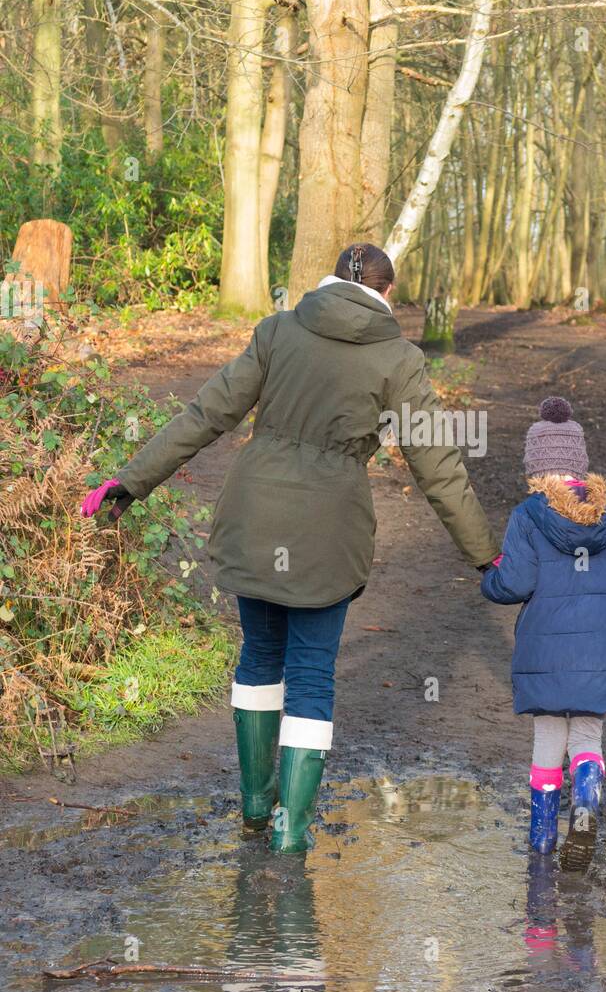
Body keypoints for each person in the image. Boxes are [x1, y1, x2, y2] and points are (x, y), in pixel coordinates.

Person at [81, 244, 498, 852]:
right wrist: (486, 554)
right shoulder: (398, 358)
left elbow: (206, 414)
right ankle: (290, 829)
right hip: (329, 534)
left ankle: (254, 804)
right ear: (387, 292)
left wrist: (130, 481)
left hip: (256, 519)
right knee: (310, 675)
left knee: (259, 656)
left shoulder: (277, 331)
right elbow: (437, 464)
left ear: (330, 280)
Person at [480, 396, 606, 868]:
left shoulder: (528, 516)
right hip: (602, 652)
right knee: (588, 739)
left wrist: (488, 577)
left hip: (545, 655)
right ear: (580, 465)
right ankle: (585, 804)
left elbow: (514, 583)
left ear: (536, 467)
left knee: (548, 740)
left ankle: (540, 842)